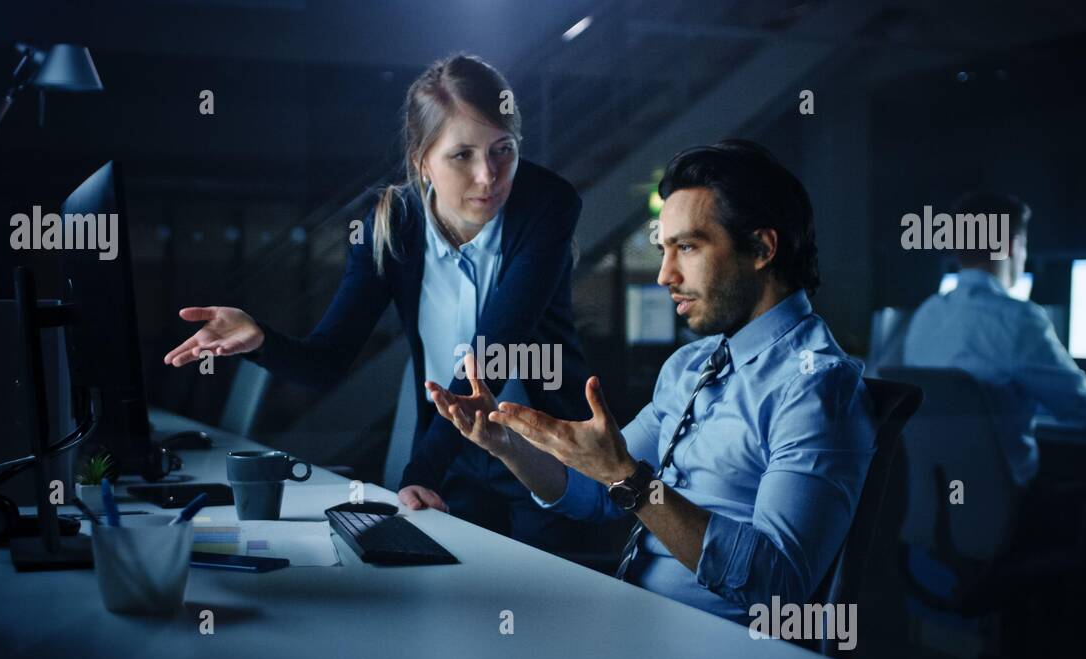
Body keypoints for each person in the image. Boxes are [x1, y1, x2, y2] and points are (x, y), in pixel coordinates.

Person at [427, 140, 878, 623]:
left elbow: (780, 589)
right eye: (665, 249)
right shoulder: (691, 366)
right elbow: (600, 493)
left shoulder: (816, 386)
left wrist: (631, 480)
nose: (665, 274)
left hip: (720, 657)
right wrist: (507, 446)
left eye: (687, 247)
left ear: (762, 248)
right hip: (637, 624)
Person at [163, 54, 594, 557]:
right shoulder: (391, 228)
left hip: (546, 450)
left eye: (504, 150)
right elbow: (327, 361)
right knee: (450, 610)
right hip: (453, 459)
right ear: (422, 159)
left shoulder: (547, 203)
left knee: (553, 611)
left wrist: (418, 474)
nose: (488, 176)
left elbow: (491, 355)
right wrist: (261, 341)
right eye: (462, 155)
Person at [900, 192, 1086, 486]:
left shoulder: (926, 314)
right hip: (1006, 500)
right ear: (1013, 245)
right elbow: (1085, 409)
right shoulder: (1018, 319)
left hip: (932, 501)